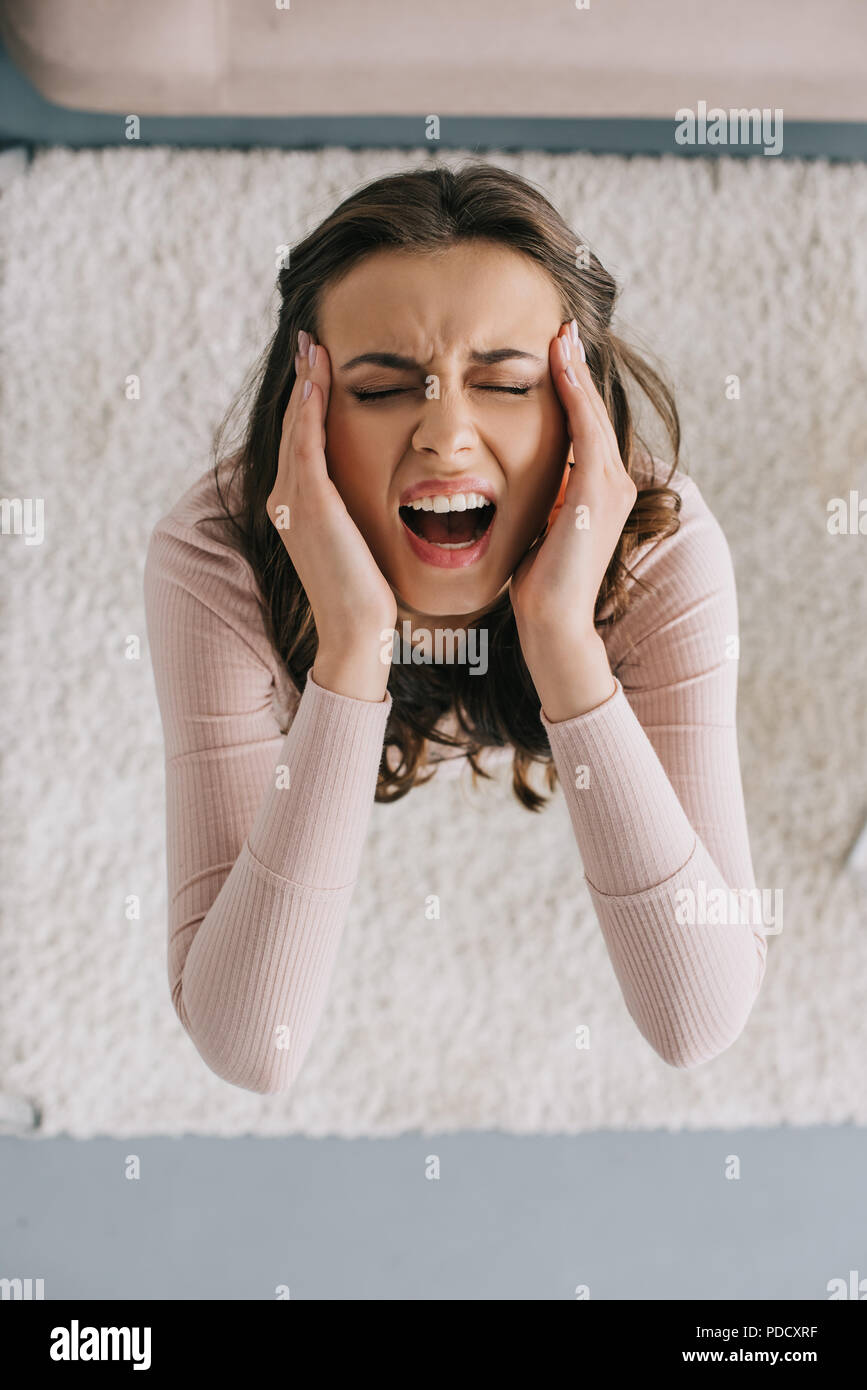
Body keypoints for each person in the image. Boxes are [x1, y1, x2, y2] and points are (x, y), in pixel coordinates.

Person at [143, 162, 768, 1094]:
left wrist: (562, 639)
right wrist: (352, 648)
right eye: (384, 387)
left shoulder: (659, 547)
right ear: (303, 411)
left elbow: (699, 1021)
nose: (445, 436)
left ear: (575, 414)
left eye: (508, 384)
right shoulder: (215, 554)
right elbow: (249, 1046)